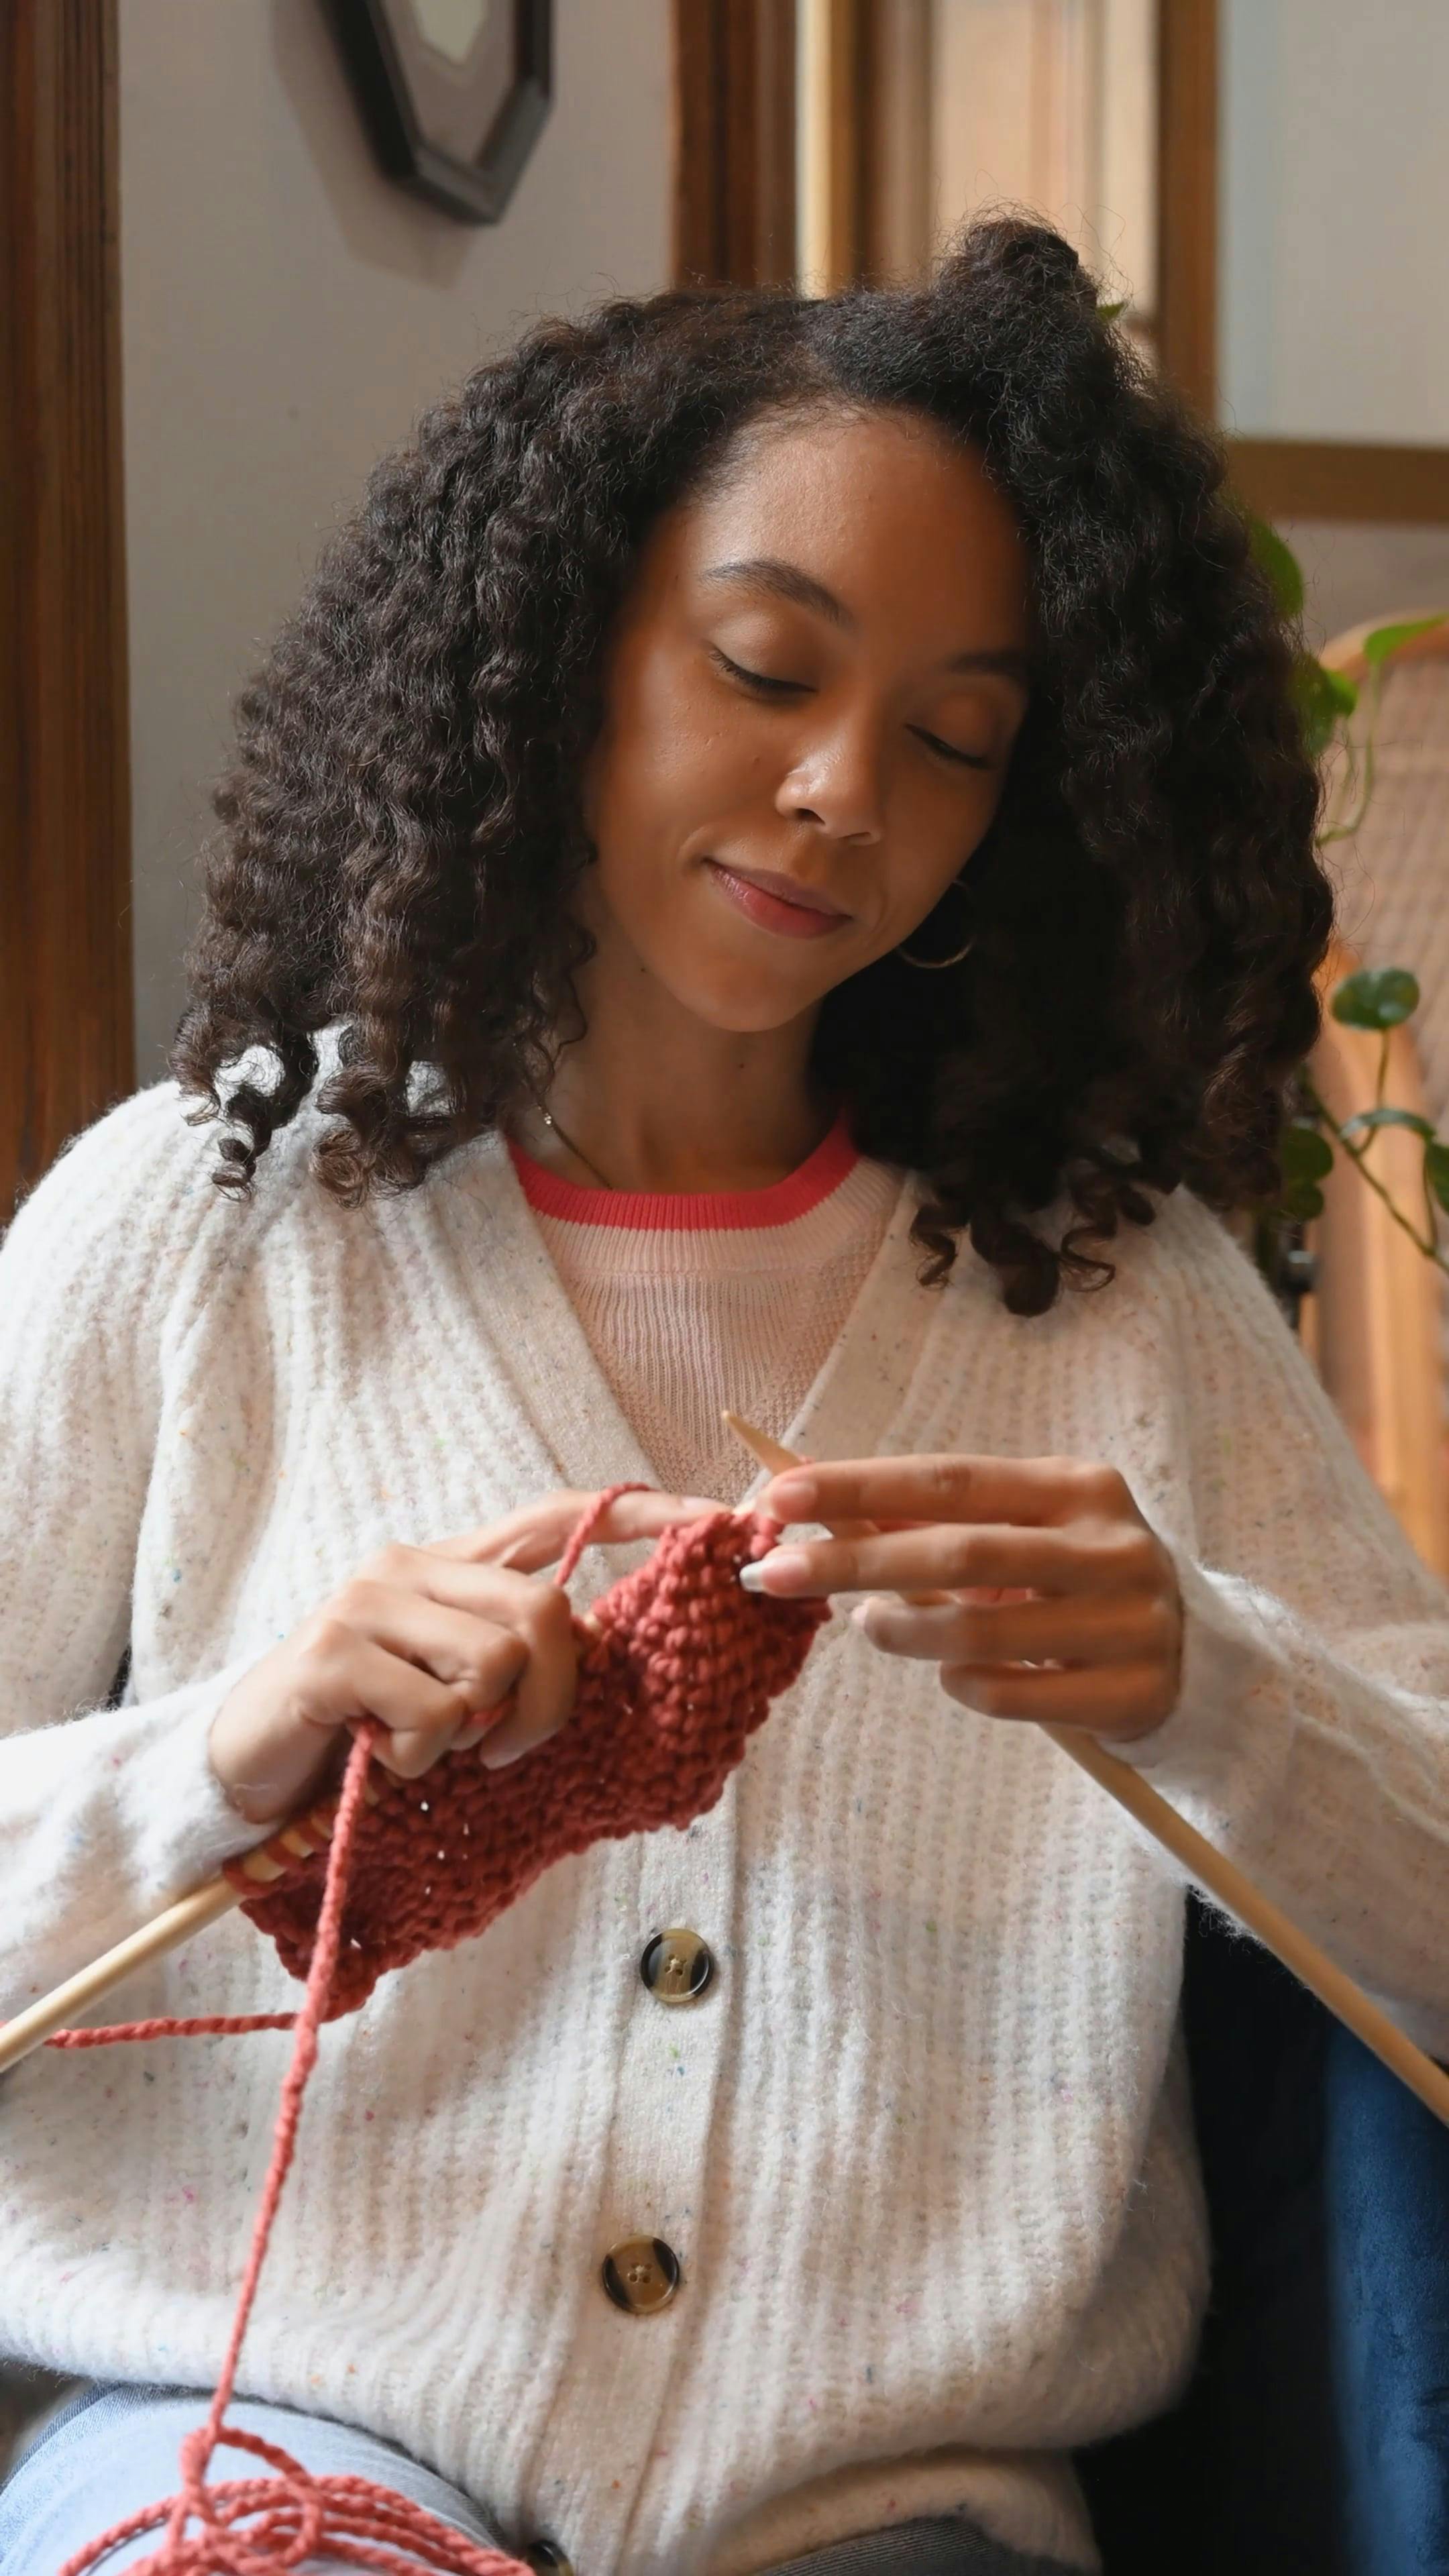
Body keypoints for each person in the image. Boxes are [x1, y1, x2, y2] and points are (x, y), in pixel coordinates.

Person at [1, 215, 1446, 2576]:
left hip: (888, 2507)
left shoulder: (1116, 1300)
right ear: (568, 651)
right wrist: (229, 1748)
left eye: (956, 738)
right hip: (253, 2456)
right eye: (767, 667)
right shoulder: (209, 1223)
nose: (842, 790)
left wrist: (1224, 1687)